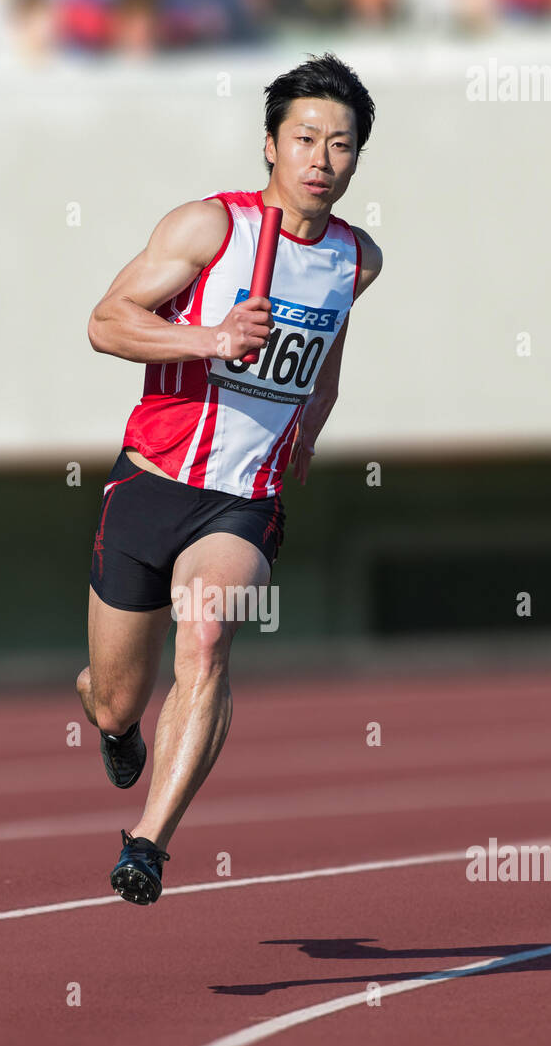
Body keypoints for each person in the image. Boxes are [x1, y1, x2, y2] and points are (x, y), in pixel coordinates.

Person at [78, 51, 383, 905]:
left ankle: (147, 845)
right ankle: (109, 715)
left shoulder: (357, 261)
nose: (323, 161)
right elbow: (106, 324)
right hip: (150, 483)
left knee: (207, 639)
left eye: (342, 146)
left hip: (244, 502)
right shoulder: (207, 228)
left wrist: (305, 448)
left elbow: (321, 370)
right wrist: (209, 338)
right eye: (306, 140)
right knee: (114, 699)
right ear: (269, 146)